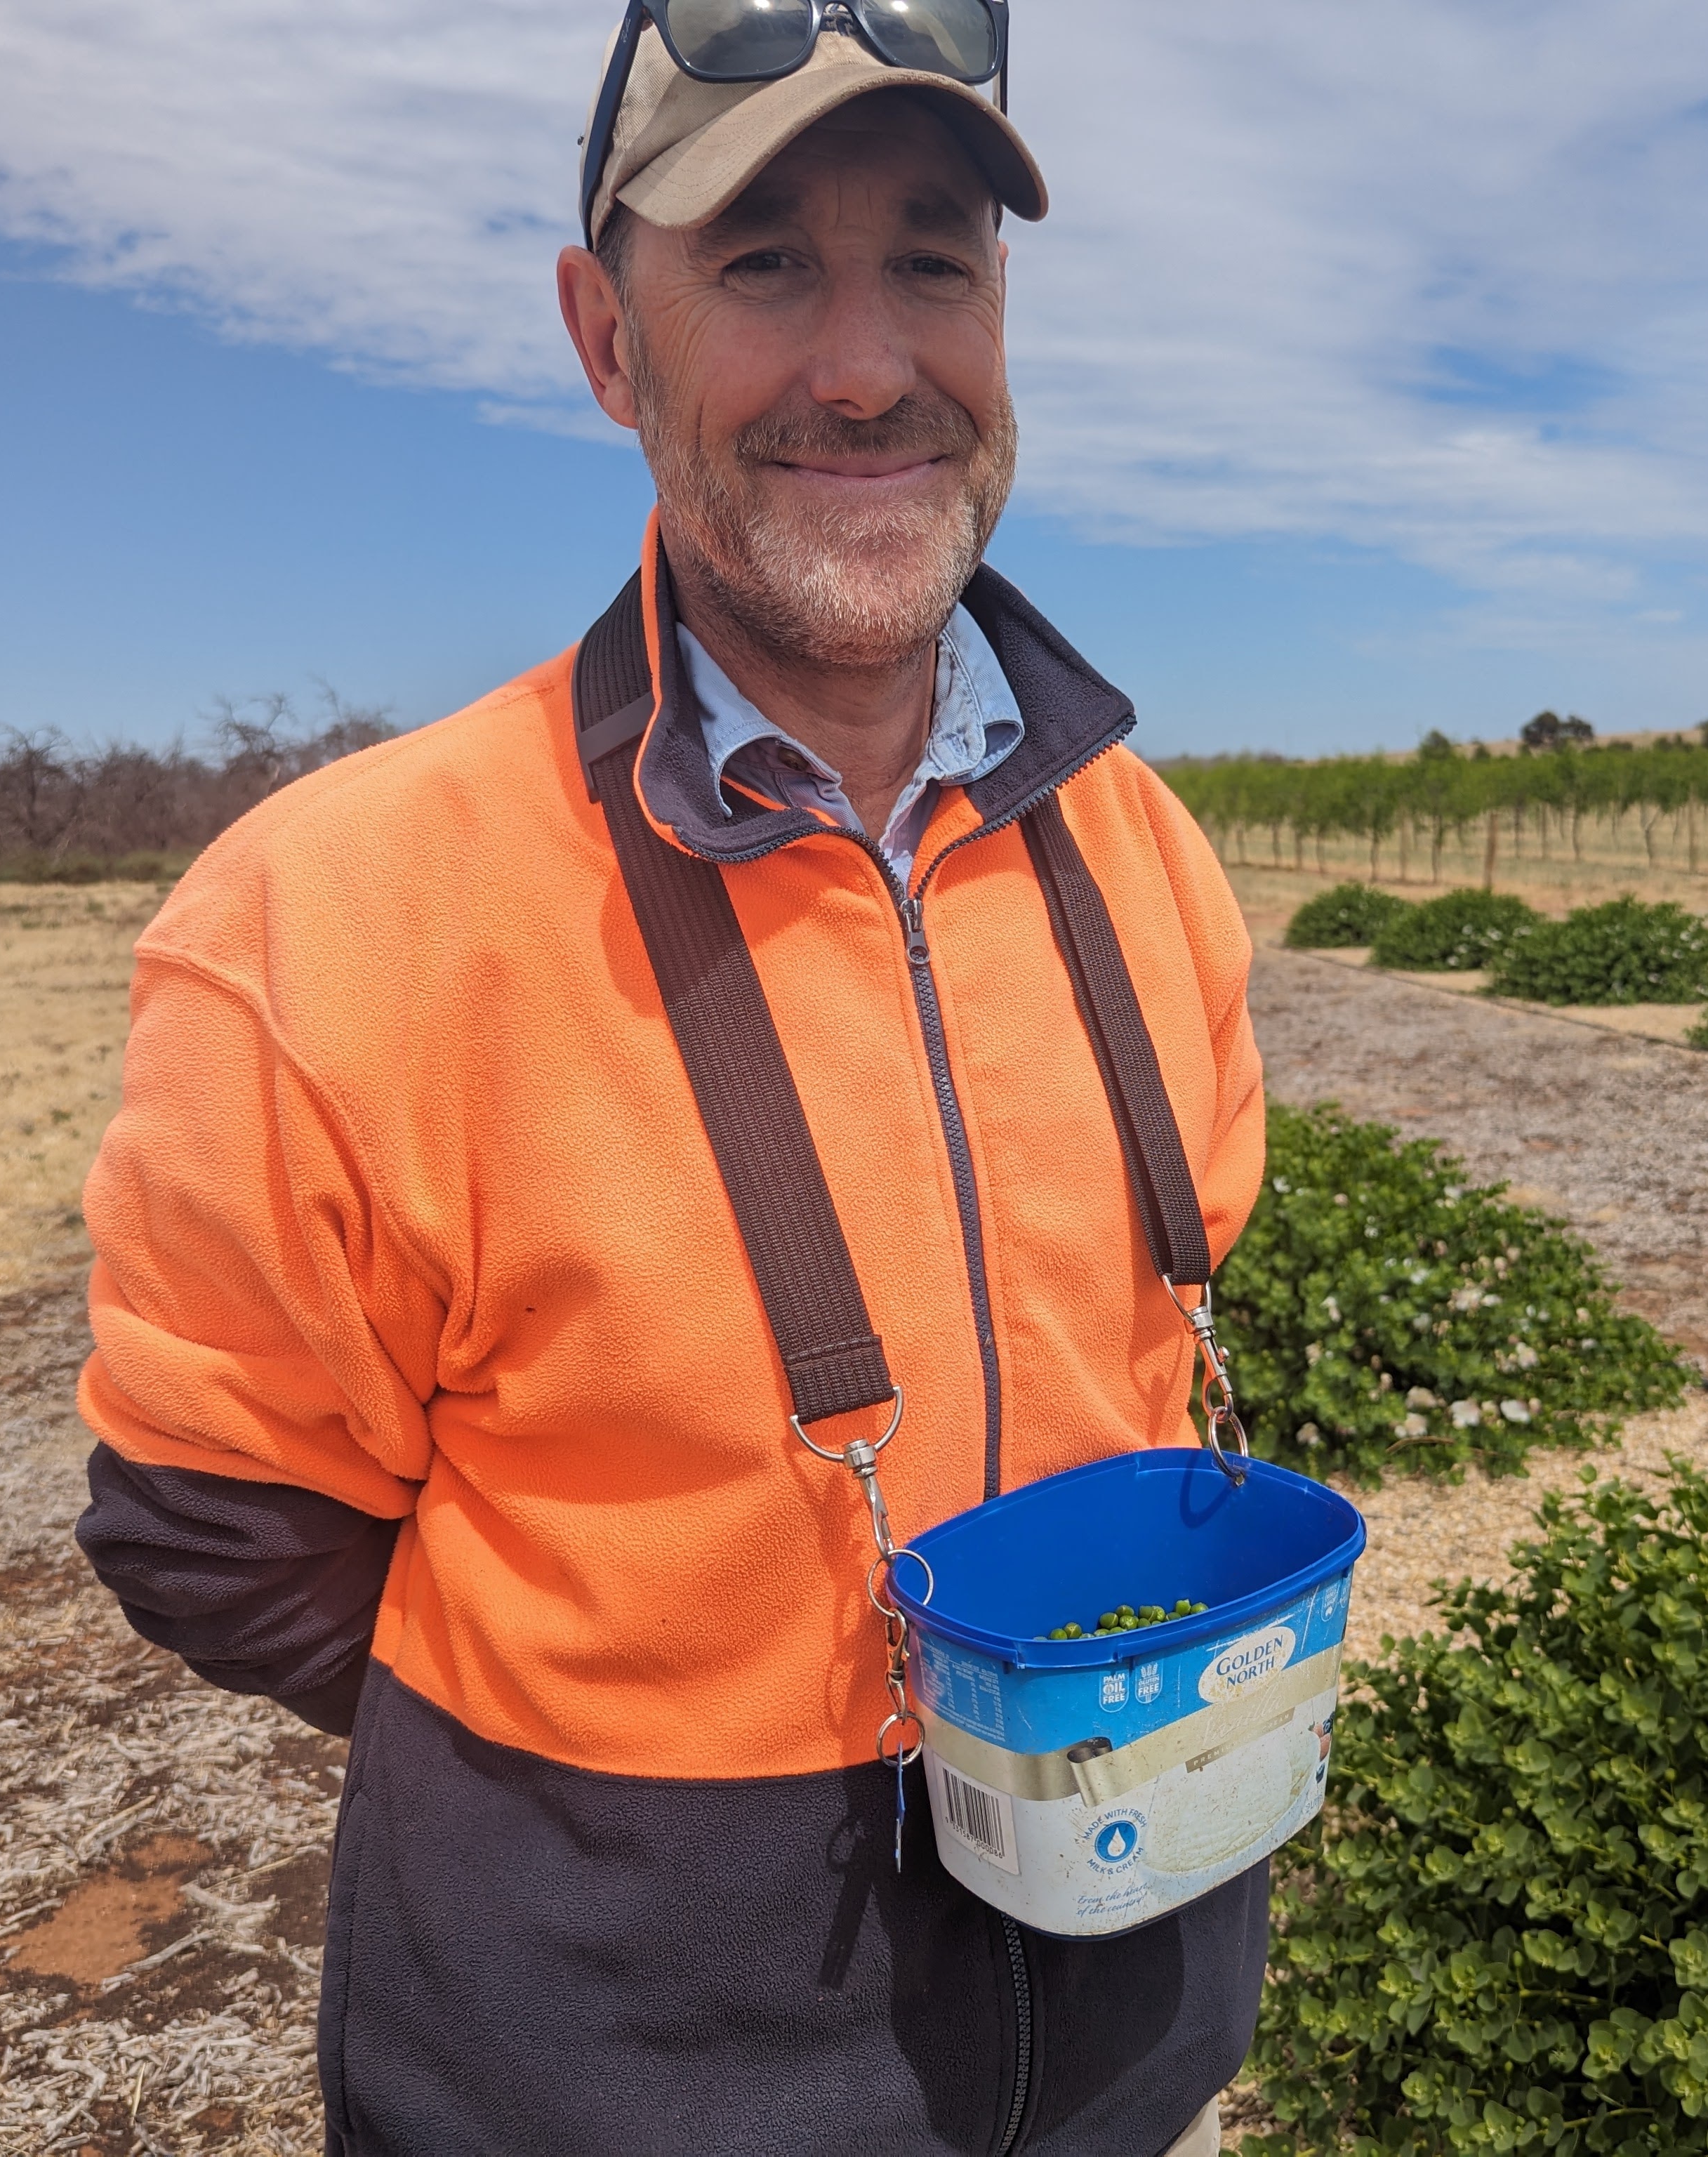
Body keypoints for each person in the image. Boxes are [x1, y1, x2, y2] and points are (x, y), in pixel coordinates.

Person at [71, 4, 1268, 2151]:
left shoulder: (1142, 848)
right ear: (605, 341)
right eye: (761, 262)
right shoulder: (332, 913)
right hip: (594, 2087)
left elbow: (1151, 1359)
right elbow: (219, 1530)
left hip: (1123, 2046)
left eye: (932, 259)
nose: (867, 363)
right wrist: (608, 1783)